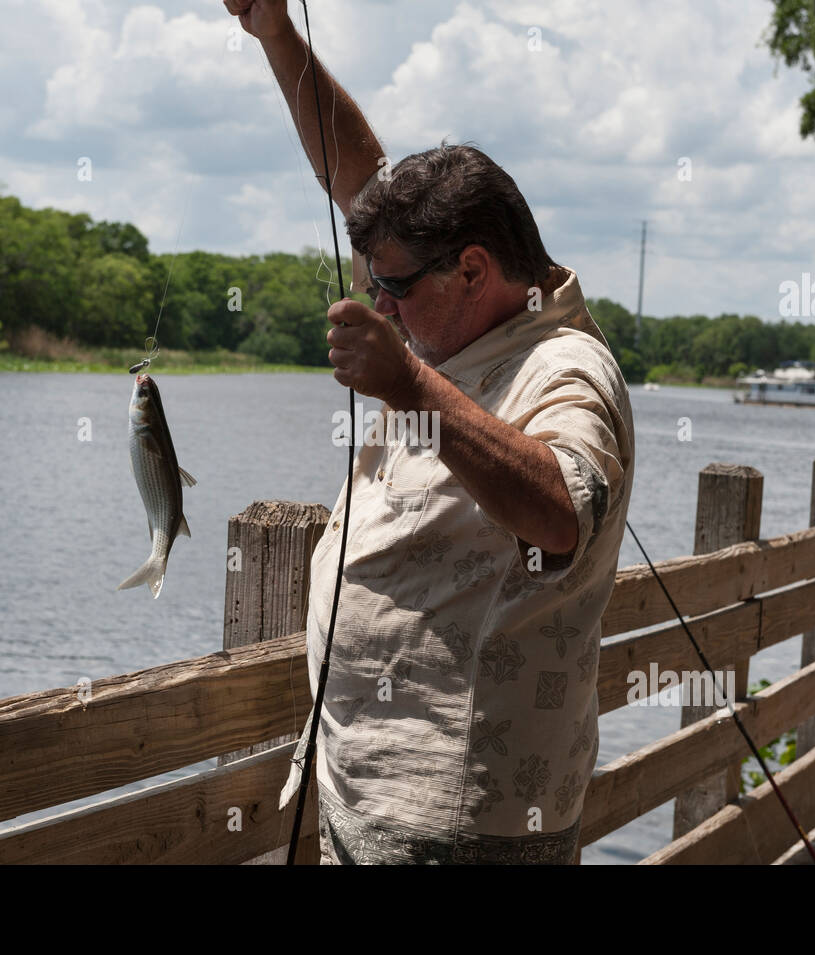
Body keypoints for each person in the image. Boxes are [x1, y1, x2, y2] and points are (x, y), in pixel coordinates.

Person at [225, 0, 634, 864]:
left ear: (475, 269)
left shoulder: (566, 368)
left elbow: (560, 511)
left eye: (396, 289)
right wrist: (276, 33)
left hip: (458, 826)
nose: (382, 306)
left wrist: (407, 381)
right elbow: (363, 178)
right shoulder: (463, 317)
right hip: (369, 794)